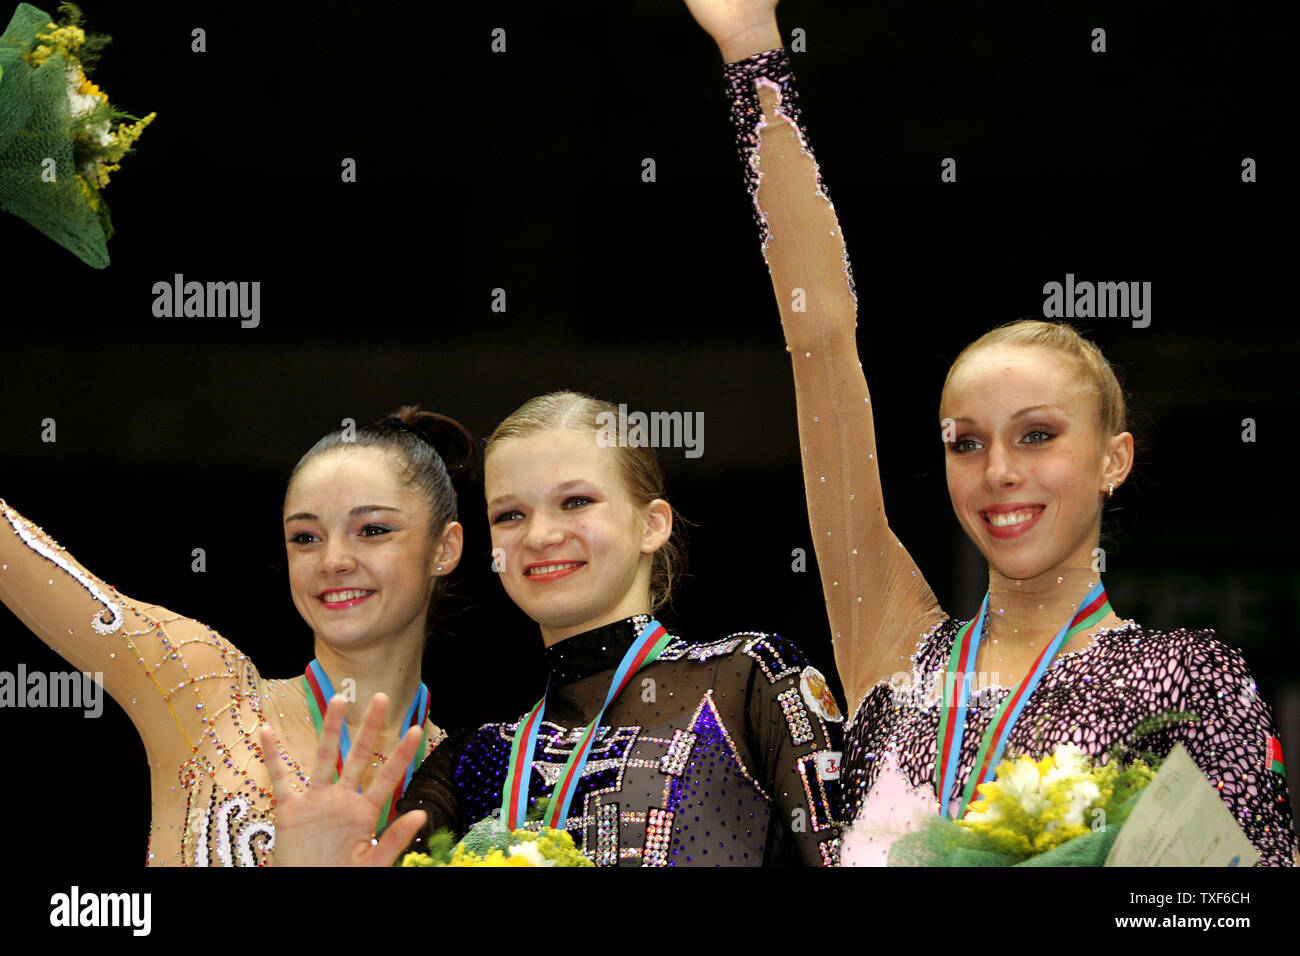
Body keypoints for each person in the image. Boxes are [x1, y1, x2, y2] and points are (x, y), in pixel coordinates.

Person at [683, 0, 1299, 865]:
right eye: (965, 443)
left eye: (1037, 436)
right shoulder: (893, 646)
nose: (998, 471)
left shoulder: (1192, 680)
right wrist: (752, 49)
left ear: (1113, 459)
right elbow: (820, 345)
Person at [266, 391, 844, 866]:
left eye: (575, 502)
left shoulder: (749, 679)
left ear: (651, 524)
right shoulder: (470, 761)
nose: (540, 536)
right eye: (509, 515)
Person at [0, 407, 476, 865]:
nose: (334, 561)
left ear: (444, 547)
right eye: (305, 537)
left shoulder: (474, 777)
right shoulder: (204, 689)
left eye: (371, 530)